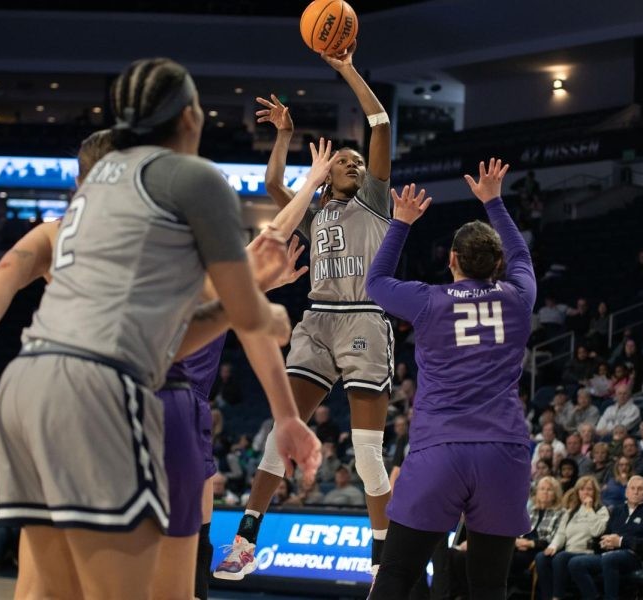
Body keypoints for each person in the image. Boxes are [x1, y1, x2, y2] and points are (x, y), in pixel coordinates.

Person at [0, 58, 321, 599]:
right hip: (118, 388)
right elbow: (242, 314)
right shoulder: (188, 182)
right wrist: (260, 323)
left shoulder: (89, 201)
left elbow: (11, 267)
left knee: (43, 588)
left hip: (28, 382)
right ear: (188, 118)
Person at [216, 41, 396, 581]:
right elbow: (274, 185)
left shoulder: (375, 201)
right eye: (343, 159)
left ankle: (384, 565)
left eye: (357, 161)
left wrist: (346, 69)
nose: (352, 162)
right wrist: (285, 136)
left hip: (364, 317)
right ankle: (246, 541)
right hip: (316, 320)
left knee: (367, 453)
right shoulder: (316, 211)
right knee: (281, 428)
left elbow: (380, 125)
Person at [364, 158, 534, 600]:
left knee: (396, 574)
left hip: (440, 448)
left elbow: (377, 281)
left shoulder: (428, 300)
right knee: (489, 585)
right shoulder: (518, 297)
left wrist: (401, 223)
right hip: (503, 449)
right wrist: (495, 201)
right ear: (496, 262)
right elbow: (522, 257)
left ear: (452, 259)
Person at [568, 476, 643, 600]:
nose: (636, 491)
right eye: (632, 488)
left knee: (611, 559)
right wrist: (604, 542)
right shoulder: (617, 511)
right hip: (610, 554)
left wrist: (621, 542)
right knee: (576, 563)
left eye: (640, 489)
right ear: (626, 492)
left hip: (635, 557)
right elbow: (605, 534)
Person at [535, 476, 609, 600]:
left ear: (595, 492)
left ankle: (557, 597)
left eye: (589, 489)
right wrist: (553, 546)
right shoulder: (571, 512)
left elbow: (597, 531)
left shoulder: (601, 510)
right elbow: (561, 534)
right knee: (541, 557)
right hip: (570, 551)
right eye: (582, 489)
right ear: (578, 492)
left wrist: (589, 509)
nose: (585, 492)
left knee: (561, 557)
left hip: (588, 553)